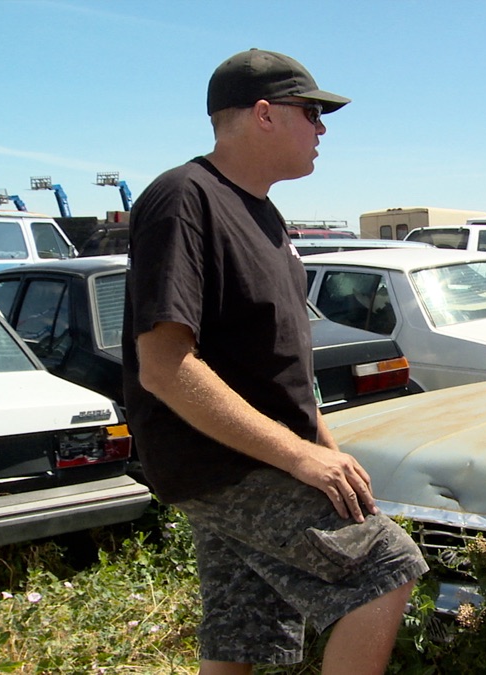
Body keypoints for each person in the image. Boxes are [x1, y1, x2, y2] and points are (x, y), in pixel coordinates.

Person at [121, 49, 427, 675]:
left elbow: (281, 364)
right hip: (223, 460)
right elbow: (165, 366)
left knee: (247, 631)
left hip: (255, 456)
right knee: (387, 567)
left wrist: (327, 446)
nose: (322, 129)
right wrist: (299, 456)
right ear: (264, 114)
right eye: (312, 112)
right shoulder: (184, 199)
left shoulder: (263, 213)